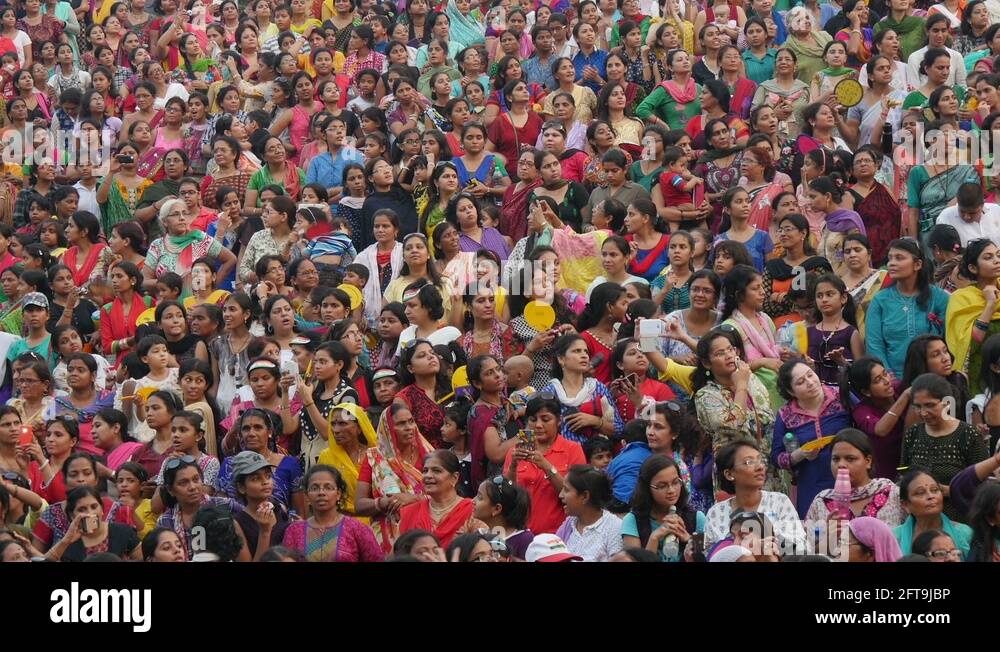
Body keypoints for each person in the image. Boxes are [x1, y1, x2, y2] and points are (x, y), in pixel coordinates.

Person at [901, 373, 990, 521]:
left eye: (930, 405)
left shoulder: (968, 435)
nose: (923, 413)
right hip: (920, 520)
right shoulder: (913, 433)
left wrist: (952, 491)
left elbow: (983, 485)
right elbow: (903, 469)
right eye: (917, 406)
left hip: (959, 519)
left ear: (947, 403)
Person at [771, 359, 852, 516]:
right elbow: (776, 457)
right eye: (801, 382)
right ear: (791, 391)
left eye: (810, 375)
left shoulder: (840, 396)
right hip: (811, 483)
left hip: (848, 477)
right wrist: (800, 454)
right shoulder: (785, 415)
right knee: (819, 536)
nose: (810, 382)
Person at [355, 402, 436, 553]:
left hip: (426, 532)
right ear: (387, 429)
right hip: (387, 538)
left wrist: (413, 499)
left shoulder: (429, 454)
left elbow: (446, 496)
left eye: (411, 421)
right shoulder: (375, 457)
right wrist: (383, 502)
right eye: (401, 424)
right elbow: (359, 505)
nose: (409, 428)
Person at [866, 238, 951, 377]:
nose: (891, 263)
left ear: (917, 264)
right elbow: (874, 344)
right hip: (894, 379)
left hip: (934, 377)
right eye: (890, 258)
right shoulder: (880, 300)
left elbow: (950, 338)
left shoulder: (940, 298)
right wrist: (887, 375)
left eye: (899, 258)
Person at [504, 393, 586, 535]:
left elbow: (577, 496)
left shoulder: (573, 449)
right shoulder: (515, 451)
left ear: (559, 421)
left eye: (546, 419)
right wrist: (513, 467)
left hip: (558, 535)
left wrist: (546, 466)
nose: (538, 425)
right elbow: (506, 496)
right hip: (520, 534)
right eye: (533, 419)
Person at [704, 441, 808, 553]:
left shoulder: (779, 502)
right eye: (749, 462)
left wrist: (768, 542)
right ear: (729, 474)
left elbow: (800, 547)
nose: (760, 467)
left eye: (761, 460)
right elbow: (709, 554)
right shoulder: (716, 513)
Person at [281, 464, 383, 562]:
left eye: (328, 487)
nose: (321, 492)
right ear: (307, 496)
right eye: (315, 488)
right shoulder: (294, 531)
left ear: (338, 494)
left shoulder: (357, 529)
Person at [806, 428, 904, 527]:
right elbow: (807, 541)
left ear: (868, 461)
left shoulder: (892, 494)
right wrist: (827, 536)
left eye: (850, 459)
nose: (841, 465)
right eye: (836, 459)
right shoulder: (821, 502)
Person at [622, 454, 707, 561]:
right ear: (647, 488)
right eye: (662, 486)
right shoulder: (632, 520)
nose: (671, 490)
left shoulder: (696, 518)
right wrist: (654, 537)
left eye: (676, 482)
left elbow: (707, 557)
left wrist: (689, 539)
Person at [947, 239, 1000, 395]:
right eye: (988, 257)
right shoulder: (962, 299)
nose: (996, 260)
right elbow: (972, 342)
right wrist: (990, 305)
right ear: (973, 267)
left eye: (998, 255)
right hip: (982, 376)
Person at [554, 464, 623, 562]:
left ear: (585, 496)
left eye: (566, 490)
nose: (561, 495)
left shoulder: (614, 528)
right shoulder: (569, 523)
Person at [937, 182, 1000, 247]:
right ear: (958, 202)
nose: (967, 217)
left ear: (982, 205)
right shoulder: (945, 219)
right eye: (962, 211)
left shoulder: (996, 211)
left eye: (972, 213)